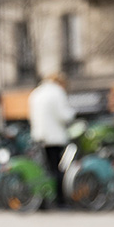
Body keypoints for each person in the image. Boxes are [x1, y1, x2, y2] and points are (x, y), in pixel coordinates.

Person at [28, 73, 76, 209]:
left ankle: (43, 200)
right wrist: (73, 114)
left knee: (44, 169)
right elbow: (63, 115)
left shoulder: (36, 93)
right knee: (57, 169)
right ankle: (60, 201)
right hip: (54, 137)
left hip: (39, 136)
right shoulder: (57, 92)